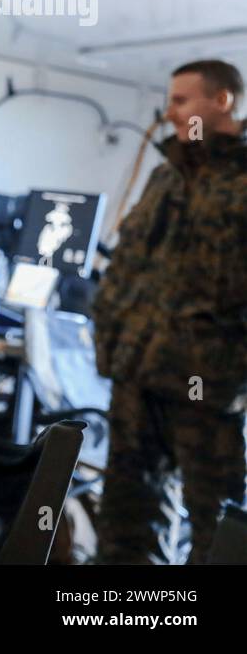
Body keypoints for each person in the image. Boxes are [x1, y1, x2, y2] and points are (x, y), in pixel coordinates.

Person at [93, 59, 247, 564]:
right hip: (138, 375)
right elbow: (127, 267)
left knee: (219, 530)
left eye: (182, 100)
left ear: (221, 101)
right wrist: (108, 341)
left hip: (208, 388)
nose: (170, 111)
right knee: (124, 523)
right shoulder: (165, 176)